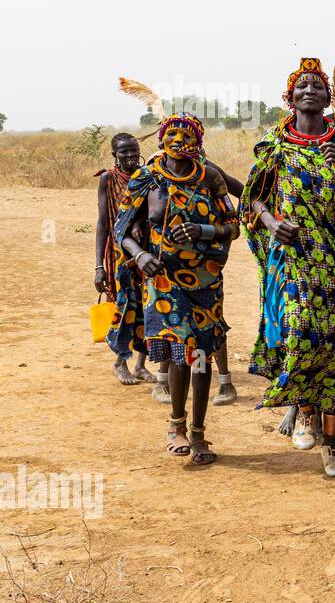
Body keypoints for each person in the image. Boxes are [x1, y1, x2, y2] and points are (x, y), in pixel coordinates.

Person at [241, 57, 335, 477]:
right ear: (290, 96)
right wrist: (271, 222)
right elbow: (252, 198)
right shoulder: (275, 142)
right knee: (301, 334)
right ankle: (304, 414)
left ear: (326, 97)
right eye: (302, 86)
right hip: (294, 255)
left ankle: (332, 442)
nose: (310, 91)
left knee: (331, 346)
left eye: (318, 85)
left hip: (334, 258)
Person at [115, 112, 239, 465]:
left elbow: (233, 225)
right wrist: (139, 256)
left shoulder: (210, 177)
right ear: (161, 140)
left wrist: (204, 231)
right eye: (174, 135)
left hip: (206, 278)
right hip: (165, 280)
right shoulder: (147, 178)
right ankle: (176, 427)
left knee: (202, 354)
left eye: (189, 136)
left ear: (199, 143)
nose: (181, 141)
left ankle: (199, 433)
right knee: (182, 350)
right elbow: (121, 230)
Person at [96, 132, 151, 386]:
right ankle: (120, 362)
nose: (130, 156)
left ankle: (140, 365)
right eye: (123, 152)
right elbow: (103, 223)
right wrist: (99, 266)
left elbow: (154, 210)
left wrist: (140, 222)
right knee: (125, 305)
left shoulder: (148, 176)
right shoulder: (108, 179)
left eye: (133, 150)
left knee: (148, 306)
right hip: (119, 254)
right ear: (114, 155)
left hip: (147, 250)